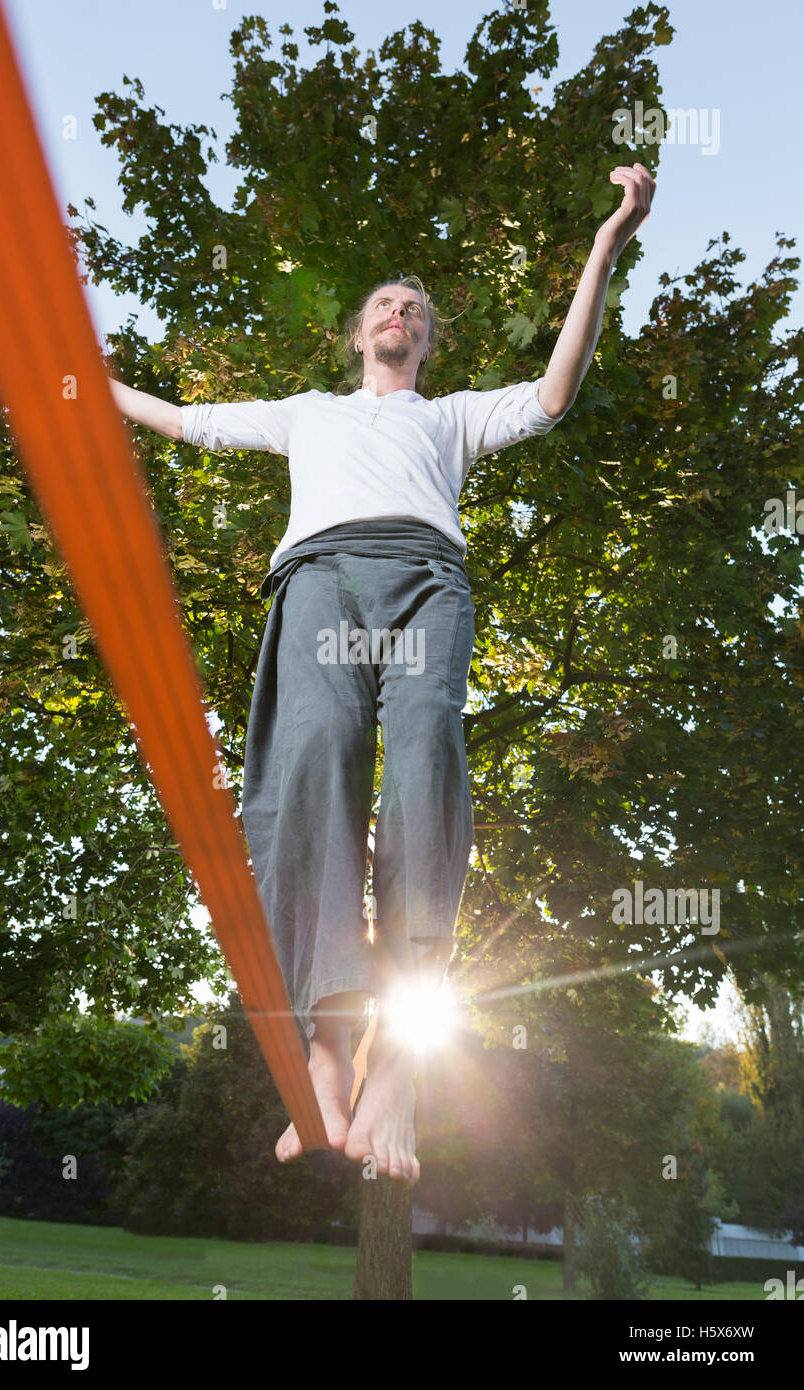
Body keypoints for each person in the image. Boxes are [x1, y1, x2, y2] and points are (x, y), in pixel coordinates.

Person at [109, 163, 656, 1186]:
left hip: (422, 584)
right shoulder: (304, 412)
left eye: (414, 307)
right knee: (306, 766)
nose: (399, 310)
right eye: (384, 305)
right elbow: (187, 418)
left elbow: (553, 392)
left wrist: (608, 241)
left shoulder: (446, 418)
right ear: (361, 336)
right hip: (316, 578)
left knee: (422, 774)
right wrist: (81, 382)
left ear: (424, 343)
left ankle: (399, 1061)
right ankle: (324, 1053)